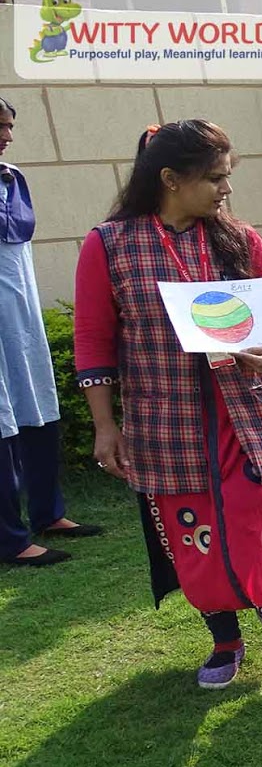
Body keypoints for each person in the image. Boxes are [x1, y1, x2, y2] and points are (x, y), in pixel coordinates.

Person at [73, 119, 262, 689]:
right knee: (193, 537)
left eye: (228, 177)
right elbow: (94, 342)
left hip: (245, 412)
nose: (226, 190)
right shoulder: (109, 245)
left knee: (255, 515)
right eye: (216, 178)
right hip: (164, 421)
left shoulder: (240, 239)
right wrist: (106, 427)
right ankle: (225, 641)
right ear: (171, 179)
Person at [2, 95, 100, 568]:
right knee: (2, 419)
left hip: (21, 316)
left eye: (9, 126)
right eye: (0, 126)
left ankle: (47, 511)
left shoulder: (13, 179)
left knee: (37, 405)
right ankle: (9, 538)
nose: (7, 135)